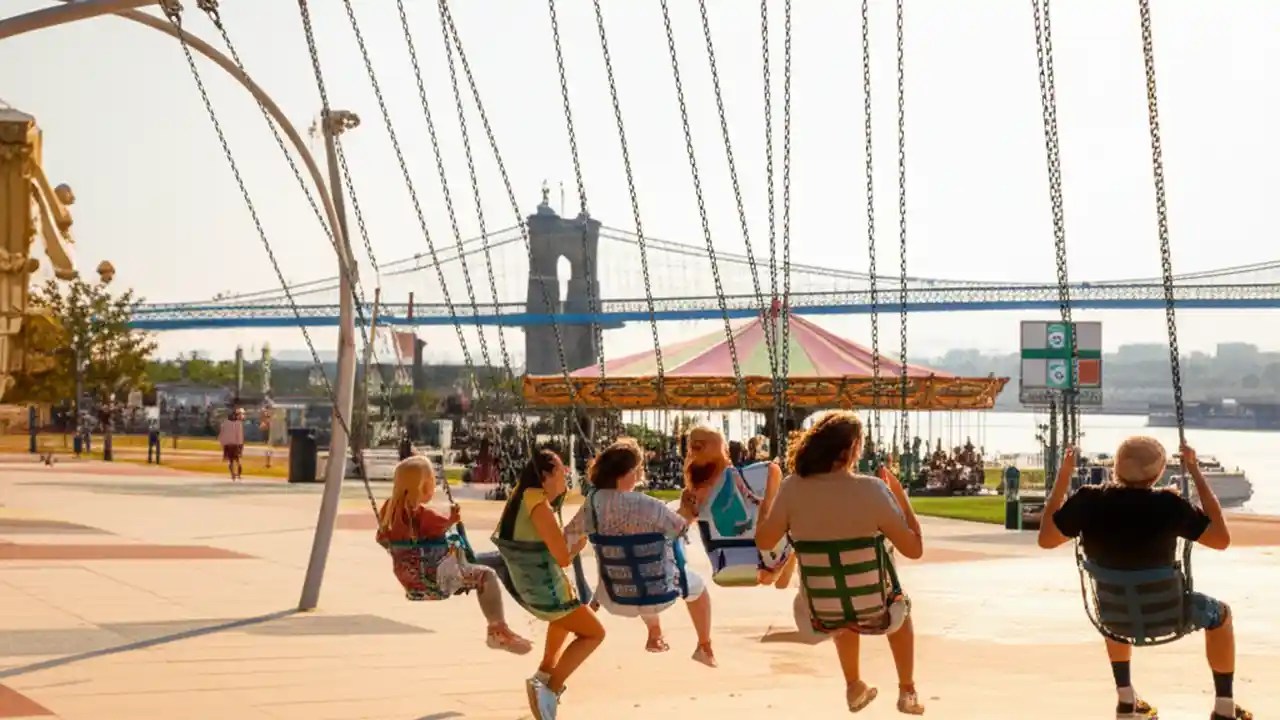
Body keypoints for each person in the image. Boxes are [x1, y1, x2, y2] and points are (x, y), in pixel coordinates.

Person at [1038, 438, 1251, 720]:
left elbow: (1046, 539)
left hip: (1114, 618)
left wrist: (1064, 475)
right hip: (1170, 614)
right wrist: (1196, 472)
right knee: (1221, 615)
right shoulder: (1169, 505)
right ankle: (1224, 707)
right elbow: (1221, 539)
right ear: (1158, 473)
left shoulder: (1089, 500)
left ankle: (1127, 700)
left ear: (1116, 467)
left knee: (1113, 595)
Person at [756, 411, 925, 714]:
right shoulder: (872, 489)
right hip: (874, 607)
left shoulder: (793, 487)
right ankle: (907, 690)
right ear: (849, 450)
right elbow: (914, 549)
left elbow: (764, 541)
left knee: (840, 599)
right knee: (897, 602)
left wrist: (769, 495)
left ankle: (853, 684)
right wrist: (902, 498)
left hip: (820, 611)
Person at [564, 439, 715, 665]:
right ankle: (704, 646)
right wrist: (689, 508)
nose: (639, 476)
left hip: (613, 595)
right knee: (693, 586)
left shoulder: (593, 503)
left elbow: (568, 537)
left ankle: (655, 633)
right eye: (638, 471)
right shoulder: (647, 505)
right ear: (628, 473)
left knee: (637, 571)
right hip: (655, 591)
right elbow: (681, 527)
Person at [375, 456, 531, 653]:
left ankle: (504, 623)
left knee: (483, 562)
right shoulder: (424, 516)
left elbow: (383, 538)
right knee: (486, 576)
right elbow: (442, 524)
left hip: (410, 579)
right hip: (435, 576)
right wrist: (453, 518)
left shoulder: (388, 512)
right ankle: (497, 630)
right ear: (424, 486)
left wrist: (400, 549)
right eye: (433, 482)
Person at [498, 449, 605, 720]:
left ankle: (543, 675)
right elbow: (563, 557)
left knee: (565, 620)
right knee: (594, 633)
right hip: (544, 589)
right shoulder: (539, 506)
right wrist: (579, 544)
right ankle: (551, 688)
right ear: (545, 476)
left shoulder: (523, 496)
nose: (565, 475)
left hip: (530, 585)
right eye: (560, 471)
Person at [684, 426, 795, 587]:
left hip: (722, 568)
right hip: (759, 561)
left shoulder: (691, 493)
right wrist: (766, 512)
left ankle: (777, 569)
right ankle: (778, 570)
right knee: (792, 520)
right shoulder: (738, 476)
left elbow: (681, 523)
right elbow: (773, 469)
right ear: (723, 448)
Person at [217, 408, 245, 480]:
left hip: (228, 444)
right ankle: (238, 475)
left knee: (231, 461)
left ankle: (233, 474)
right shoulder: (238, 424)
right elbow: (240, 436)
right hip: (236, 444)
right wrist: (241, 446)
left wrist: (222, 443)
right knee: (238, 460)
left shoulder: (225, 423)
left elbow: (222, 435)